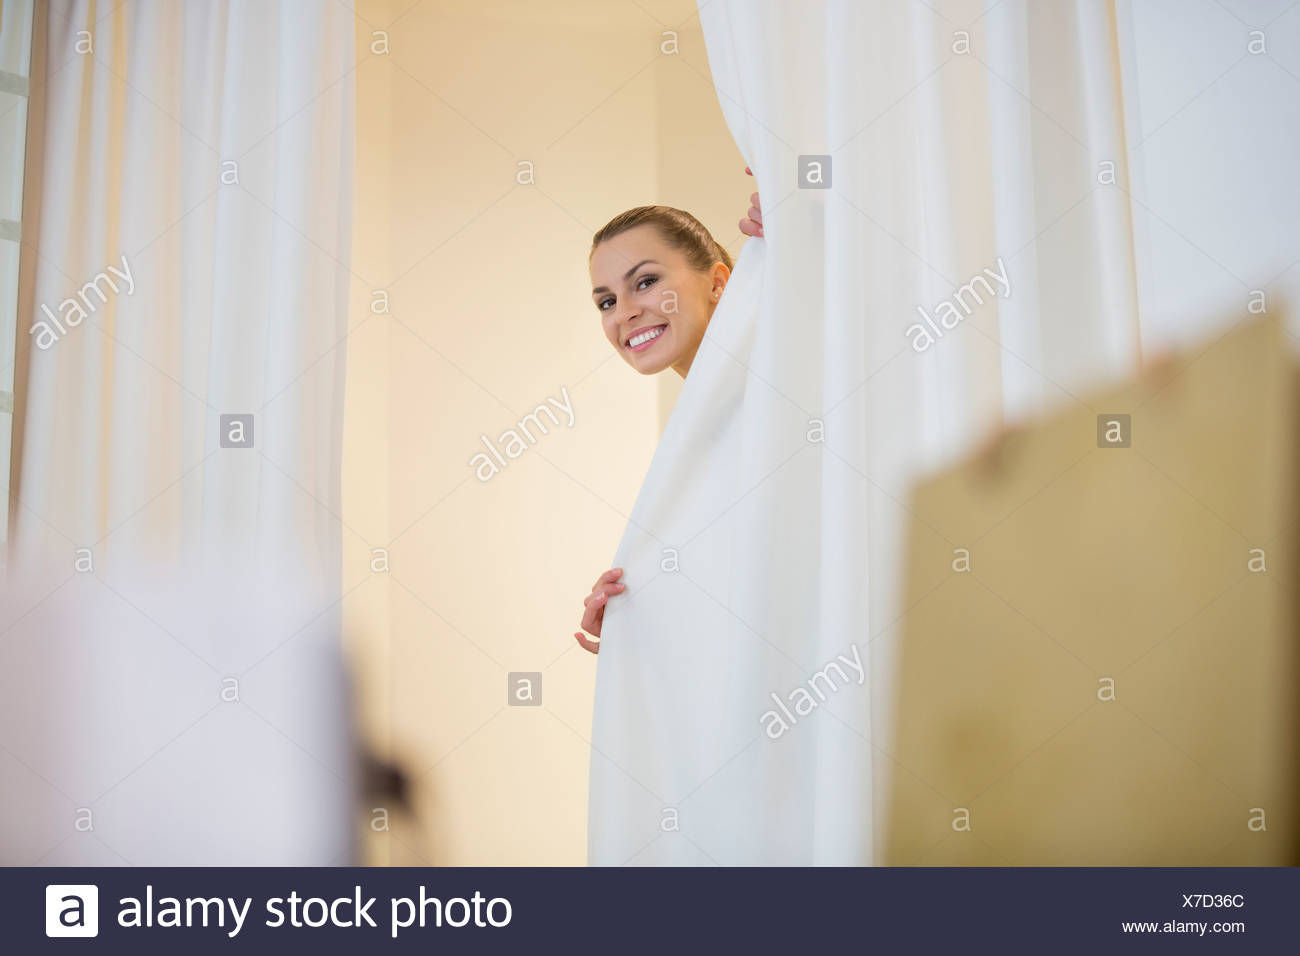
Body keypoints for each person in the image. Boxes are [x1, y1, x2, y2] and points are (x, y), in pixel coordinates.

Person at [574, 169, 763, 654]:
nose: (623, 314)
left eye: (646, 281)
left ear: (719, 283)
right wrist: (644, 615)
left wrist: (815, 235)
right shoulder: (698, 439)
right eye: (607, 301)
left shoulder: (777, 381)